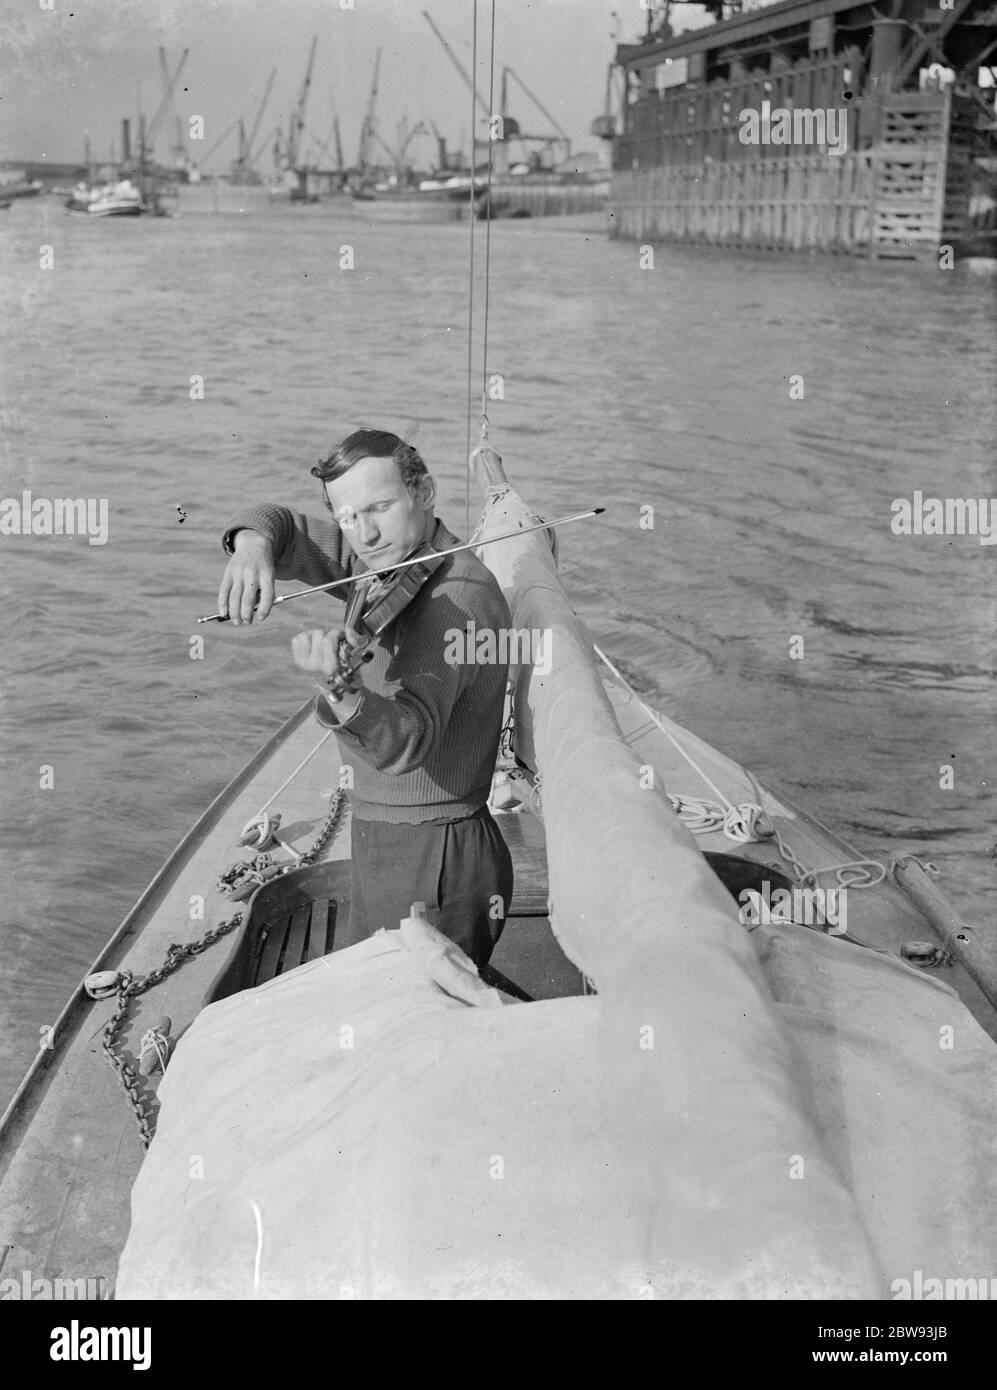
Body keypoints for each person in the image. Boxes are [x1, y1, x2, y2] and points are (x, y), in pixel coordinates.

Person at [217, 428, 514, 968]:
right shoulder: (382, 565)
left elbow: (408, 742)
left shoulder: (457, 597)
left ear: (424, 492)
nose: (365, 534)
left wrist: (343, 688)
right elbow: (278, 524)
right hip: (387, 837)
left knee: (412, 1026)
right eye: (348, 516)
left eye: (380, 507)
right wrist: (252, 546)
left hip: (434, 851)